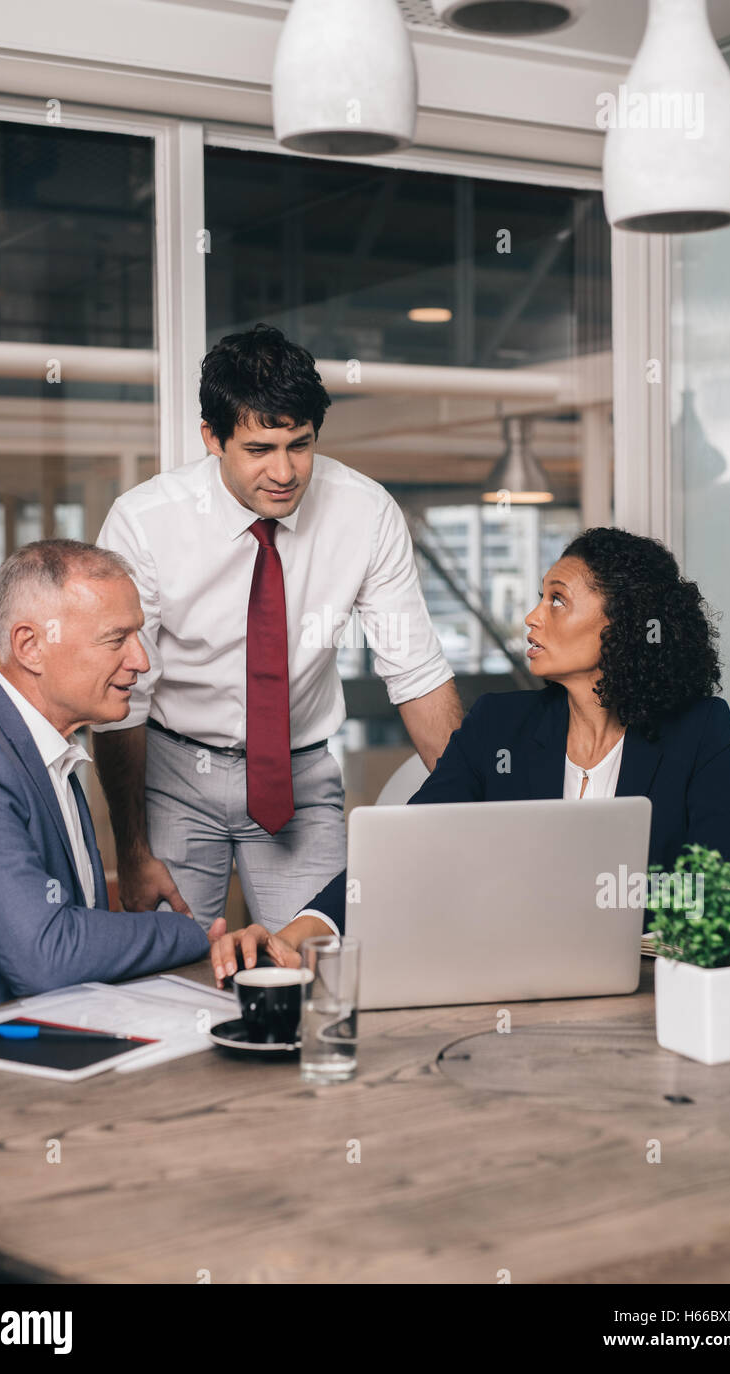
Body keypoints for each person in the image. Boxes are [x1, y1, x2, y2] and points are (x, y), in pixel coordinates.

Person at [92, 323, 463, 958]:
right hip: (176, 773)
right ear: (213, 438)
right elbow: (125, 695)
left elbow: (417, 674)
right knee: (171, 970)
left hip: (301, 775)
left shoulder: (366, 513)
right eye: (260, 448)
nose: (285, 472)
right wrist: (132, 851)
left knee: (320, 968)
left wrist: (484, 817)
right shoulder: (145, 522)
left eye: (301, 445)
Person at [286, 526, 730, 941]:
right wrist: (304, 929)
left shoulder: (698, 730)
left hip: (649, 991)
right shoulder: (497, 727)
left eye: (557, 600)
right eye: (541, 597)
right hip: (510, 980)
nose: (532, 617)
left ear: (621, 624)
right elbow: (405, 853)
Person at [0, 540, 222, 1036]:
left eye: (138, 636)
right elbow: (47, 954)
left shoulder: (40, 742)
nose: (141, 662)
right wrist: (191, 933)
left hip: (44, 1042)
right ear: (30, 646)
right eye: (116, 639)